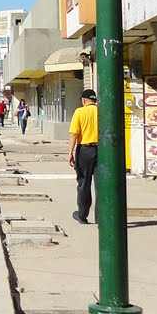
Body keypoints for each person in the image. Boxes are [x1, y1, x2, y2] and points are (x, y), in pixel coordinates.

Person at [67, 89, 99, 224]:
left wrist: (70, 152)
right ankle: (101, 217)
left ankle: (82, 215)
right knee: (101, 184)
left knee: (84, 183)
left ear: (84, 100)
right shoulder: (100, 111)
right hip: (101, 150)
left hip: (84, 150)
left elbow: (74, 134)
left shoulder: (79, 112)